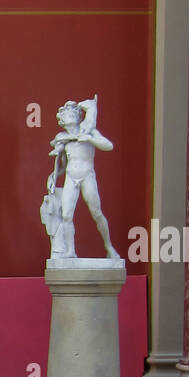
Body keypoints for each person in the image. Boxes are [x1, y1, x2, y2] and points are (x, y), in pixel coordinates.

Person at [45, 96, 120, 261]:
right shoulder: (62, 138)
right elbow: (62, 165)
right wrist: (54, 176)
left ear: (78, 117)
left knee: (96, 212)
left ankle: (109, 246)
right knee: (66, 215)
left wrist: (91, 139)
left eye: (72, 113)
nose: (70, 115)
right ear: (62, 121)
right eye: (66, 114)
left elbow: (109, 146)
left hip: (87, 176)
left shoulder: (88, 130)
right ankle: (71, 251)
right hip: (71, 177)